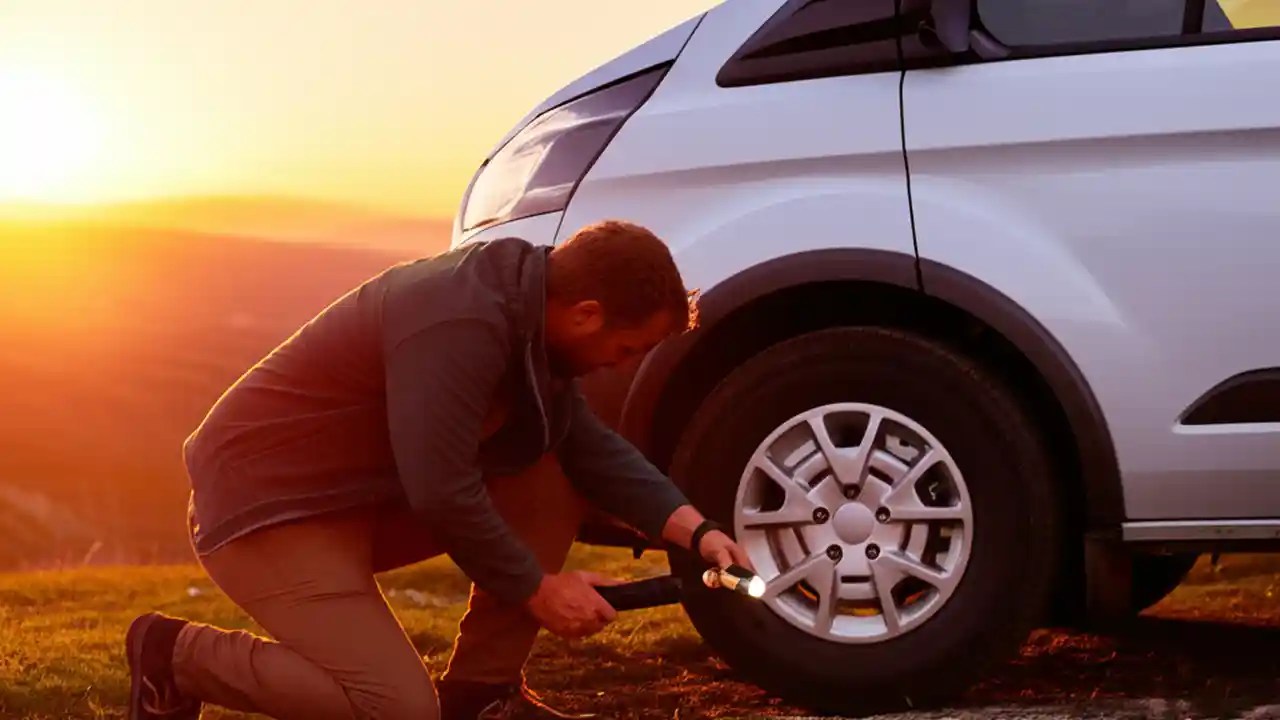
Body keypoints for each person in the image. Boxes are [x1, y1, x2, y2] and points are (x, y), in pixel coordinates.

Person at [124, 220, 754, 720]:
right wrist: (538, 588)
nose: (621, 364)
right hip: (266, 512)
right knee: (395, 709)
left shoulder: (532, 312)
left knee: (551, 465)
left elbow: (586, 446)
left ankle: (481, 695)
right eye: (629, 348)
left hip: (355, 503)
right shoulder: (464, 320)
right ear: (587, 313)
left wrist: (697, 532)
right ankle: (175, 655)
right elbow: (440, 486)